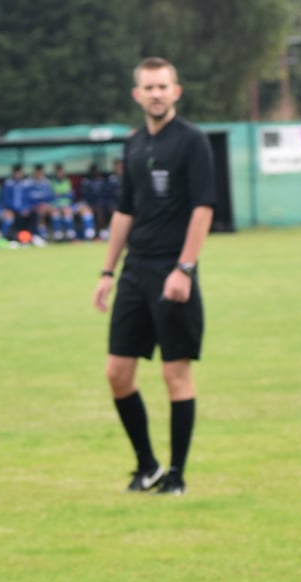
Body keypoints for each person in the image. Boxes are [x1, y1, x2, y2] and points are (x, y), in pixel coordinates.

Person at [93, 57, 215, 497]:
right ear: (137, 95)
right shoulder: (134, 145)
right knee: (116, 373)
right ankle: (147, 466)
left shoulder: (193, 142)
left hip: (173, 270)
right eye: (149, 87)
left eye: (163, 86)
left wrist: (185, 267)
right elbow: (125, 210)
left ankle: (177, 477)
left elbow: (203, 208)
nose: (157, 94)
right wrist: (107, 271)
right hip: (134, 271)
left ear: (176, 91)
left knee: (174, 374)